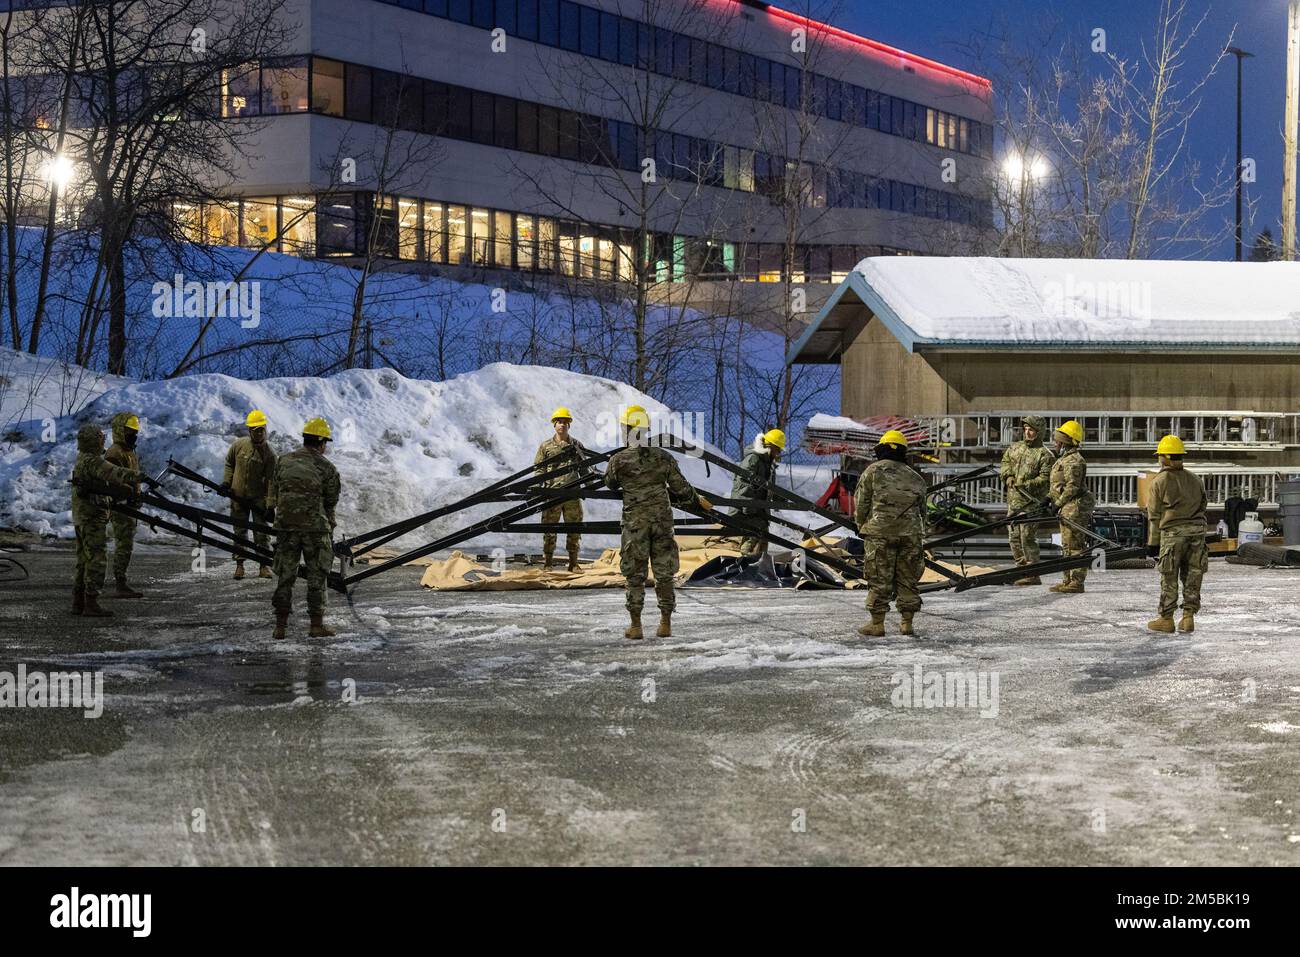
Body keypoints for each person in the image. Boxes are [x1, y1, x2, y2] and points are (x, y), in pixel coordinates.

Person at [604, 405, 711, 640]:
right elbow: (681, 488)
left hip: (635, 526)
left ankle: (636, 626)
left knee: (635, 575)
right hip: (662, 523)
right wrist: (697, 500)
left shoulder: (618, 460)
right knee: (664, 574)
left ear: (627, 429)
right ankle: (665, 623)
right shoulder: (663, 458)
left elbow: (610, 483)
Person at [267, 417, 340, 640]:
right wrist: (329, 526)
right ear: (320, 442)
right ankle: (316, 625)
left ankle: (280, 627)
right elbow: (330, 500)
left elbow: (275, 489)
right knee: (317, 575)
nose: (325, 446)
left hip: (286, 528)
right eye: (325, 442)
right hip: (314, 529)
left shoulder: (283, 460)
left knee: (285, 576)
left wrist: (276, 511)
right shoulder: (326, 467)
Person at [853, 429, 927, 637]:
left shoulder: (872, 471)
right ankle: (907, 623)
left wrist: (861, 526)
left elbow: (861, 504)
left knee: (879, 577)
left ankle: (877, 624)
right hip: (910, 534)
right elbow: (923, 511)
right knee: (907, 579)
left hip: (880, 533)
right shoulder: (916, 477)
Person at [70, 423, 141, 618]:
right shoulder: (92, 460)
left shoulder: (82, 459)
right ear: (93, 440)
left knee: (84, 559)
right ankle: (91, 602)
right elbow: (114, 472)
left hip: (82, 516)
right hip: (92, 517)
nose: (103, 439)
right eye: (100, 437)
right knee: (97, 558)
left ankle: (79, 601)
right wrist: (138, 476)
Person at [1145, 435, 1208, 634]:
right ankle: (1188, 617)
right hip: (1197, 533)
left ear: (1163, 458)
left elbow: (1154, 515)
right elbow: (1203, 505)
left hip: (1172, 535)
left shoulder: (1159, 481)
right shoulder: (1195, 479)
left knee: (1169, 577)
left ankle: (1166, 619)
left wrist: (1153, 542)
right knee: (1193, 575)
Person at [222, 409, 277, 580]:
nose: (259, 433)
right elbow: (229, 464)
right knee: (239, 532)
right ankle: (239, 565)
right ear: (249, 431)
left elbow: (272, 482)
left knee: (262, 534)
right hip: (237, 496)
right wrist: (226, 482)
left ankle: (264, 565)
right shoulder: (239, 445)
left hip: (258, 500)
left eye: (262, 429)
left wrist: (270, 505)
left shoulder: (270, 454)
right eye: (255, 430)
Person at [534, 406, 590, 571]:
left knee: (574, 529)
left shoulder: (577, 445)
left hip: (572, 494)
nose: (562, 425)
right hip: (552, 494)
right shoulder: (546, 446)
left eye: (565, 422)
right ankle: (548, 563)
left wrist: (588, 486)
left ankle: (573, 563)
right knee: (549, 529)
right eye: (559, 422)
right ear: (554, 424)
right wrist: (539, 486)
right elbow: (539, 469)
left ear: (569, 425)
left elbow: (584, 468)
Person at [1000, 414, 1053, 585]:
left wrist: (1026, 484)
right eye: (1025, 429)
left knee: (1027, 538)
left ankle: (1032, 573)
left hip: (1031, 504)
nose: (1027, 432)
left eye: (1031, 430)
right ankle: (1021, 569)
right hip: (1014, 502)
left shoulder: (1045, 455)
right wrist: (1007, 476)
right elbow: (1005, 462)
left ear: (1039, 432)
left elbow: (1045, 479)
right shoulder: (1015, 448)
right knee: (1013, 537)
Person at [1047, 420, 1095, 594]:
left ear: (1065, 441)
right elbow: (1058, 484)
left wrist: (1057, 503)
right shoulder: (1064, 459)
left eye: (1057, 440)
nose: (1054, 443)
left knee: (1075, 545)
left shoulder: (1074, 461)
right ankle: (1067, 580)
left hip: (1074, 507)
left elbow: (1072, 487)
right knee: (1066, 545)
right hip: (1066, 507)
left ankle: (1077, 582)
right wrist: (1048, 498)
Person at [103, 412, 145, 597]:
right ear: (120, 431)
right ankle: (120, 583)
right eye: (129, 431)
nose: (133, 434)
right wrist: (128, 494)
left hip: (129, 505)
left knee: (126, 544)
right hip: (120, 505)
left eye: (135, 431)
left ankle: (121, 581)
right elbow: (112, 481)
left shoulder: (129, 452)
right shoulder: (114, 453)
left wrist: (137, 494)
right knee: (124, 544)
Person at [730, 428, 785, 559]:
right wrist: (748, 507)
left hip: (757, 508)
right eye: (778, 450)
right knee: (753, 536)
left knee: (762, 536)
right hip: (747, 508)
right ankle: (746, 564)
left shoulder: (765, 461)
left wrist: (779, 498)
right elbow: (742, 484)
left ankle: (758, 567)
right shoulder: (753, 459)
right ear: (771, 446)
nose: (779, 453)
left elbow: (765, 486)